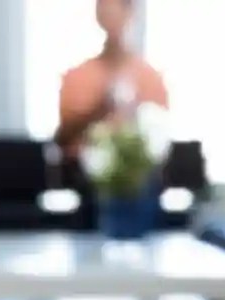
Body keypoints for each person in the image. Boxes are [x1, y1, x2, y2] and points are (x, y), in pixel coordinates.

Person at [56, 0, 168, 218]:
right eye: (103, 7)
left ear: (130, 12)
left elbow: (159, 140)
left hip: (140, 181)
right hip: (86, 182)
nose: (109, 14)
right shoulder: (78, 77)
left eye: (115, 7)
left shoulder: (149, 77)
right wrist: (100, 110)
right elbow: (62, 138)